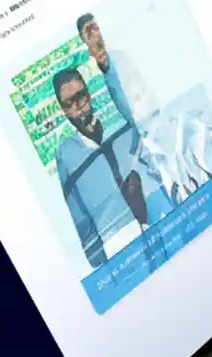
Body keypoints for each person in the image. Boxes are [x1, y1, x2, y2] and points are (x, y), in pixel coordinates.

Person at [53, 68, 172, 269]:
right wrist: (100, 263)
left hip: (158, 217)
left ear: (88, 93)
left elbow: (150, 155)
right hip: (120, 244)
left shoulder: (118, 121)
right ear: (64, 110)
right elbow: (78, 211)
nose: (78, 106)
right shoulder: (66, 155)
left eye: (80, 96)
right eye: (69, 103)